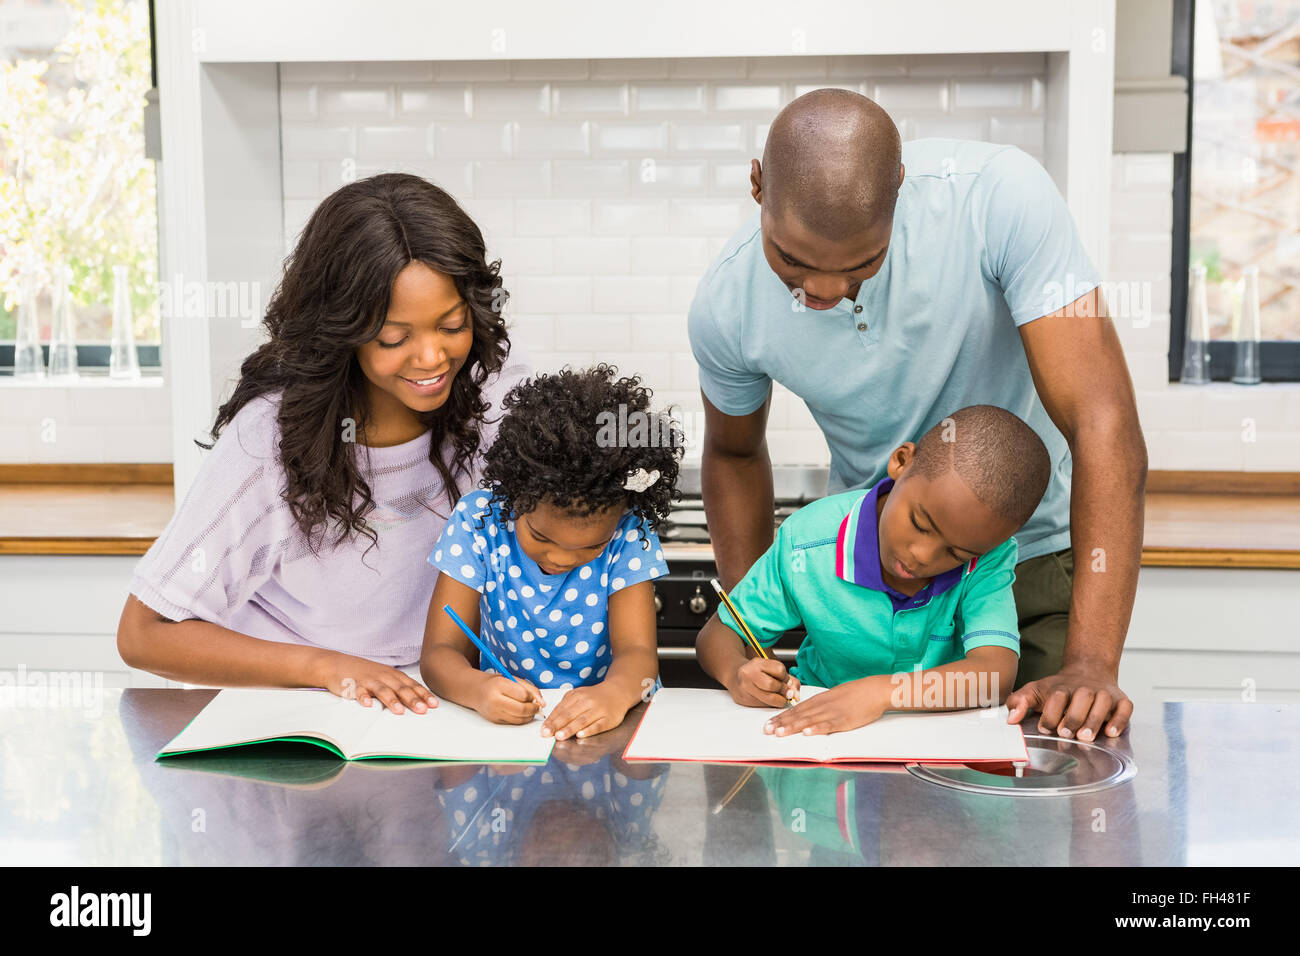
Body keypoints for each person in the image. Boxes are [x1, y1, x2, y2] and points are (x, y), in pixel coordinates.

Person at [689, 89, 1144, 742]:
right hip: (863, 588)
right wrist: (752, 628)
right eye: (792, 261)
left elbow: (1103, 422)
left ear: (899, 191)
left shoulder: (998, 200)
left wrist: (1092, 662)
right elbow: (733, 453)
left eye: (860, 265)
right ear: (756, 186)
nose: (823, 292)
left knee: (1035, 804)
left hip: (1031, 561)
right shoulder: (727, 304)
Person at [117, 173, 529, 713]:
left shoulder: (494, 399)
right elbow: (145, 633)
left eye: (451, 326)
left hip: (446, 704)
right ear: (342, 329)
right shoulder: (270, 438)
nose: (431, 358)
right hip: (304, 709)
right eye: (393, 338)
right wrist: (326, 666)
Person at [696, 405, 1050, 736]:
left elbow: (994, 675)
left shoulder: (988, 557)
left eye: (956, 552)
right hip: (817, 738)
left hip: (937, 742)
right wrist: (736, 674)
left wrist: (880, 694)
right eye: (920, 523)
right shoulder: (809, 540)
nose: (922, 555)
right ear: (900, 462)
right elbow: (718, 635)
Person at [421, 364, 684, 741]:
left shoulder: (629, 529)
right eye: (541, 536)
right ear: (514, 496)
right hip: (509, 734)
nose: (561, 559)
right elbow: (439, 654)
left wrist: (613, 694)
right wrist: (476, 689)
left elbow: (638, 653)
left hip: (609, 730)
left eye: (593, 545)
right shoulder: (479, 522)